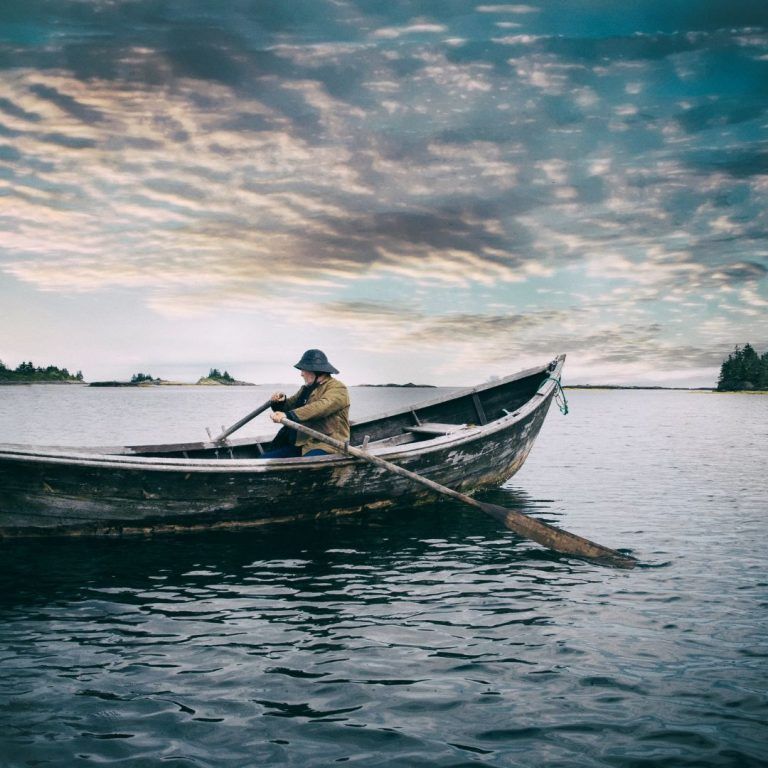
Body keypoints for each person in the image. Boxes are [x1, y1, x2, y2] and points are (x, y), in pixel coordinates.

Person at [261, 349, 350, 458]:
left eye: (303, 370)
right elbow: (289, 407)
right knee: (265, 458)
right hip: (303, 442)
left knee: (308, 467)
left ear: (315, 371)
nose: (301, 374)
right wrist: (281, 402)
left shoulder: (338, 388)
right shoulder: (307, 388)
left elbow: (320, 407)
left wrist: (288, 415)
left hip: (327, 444)